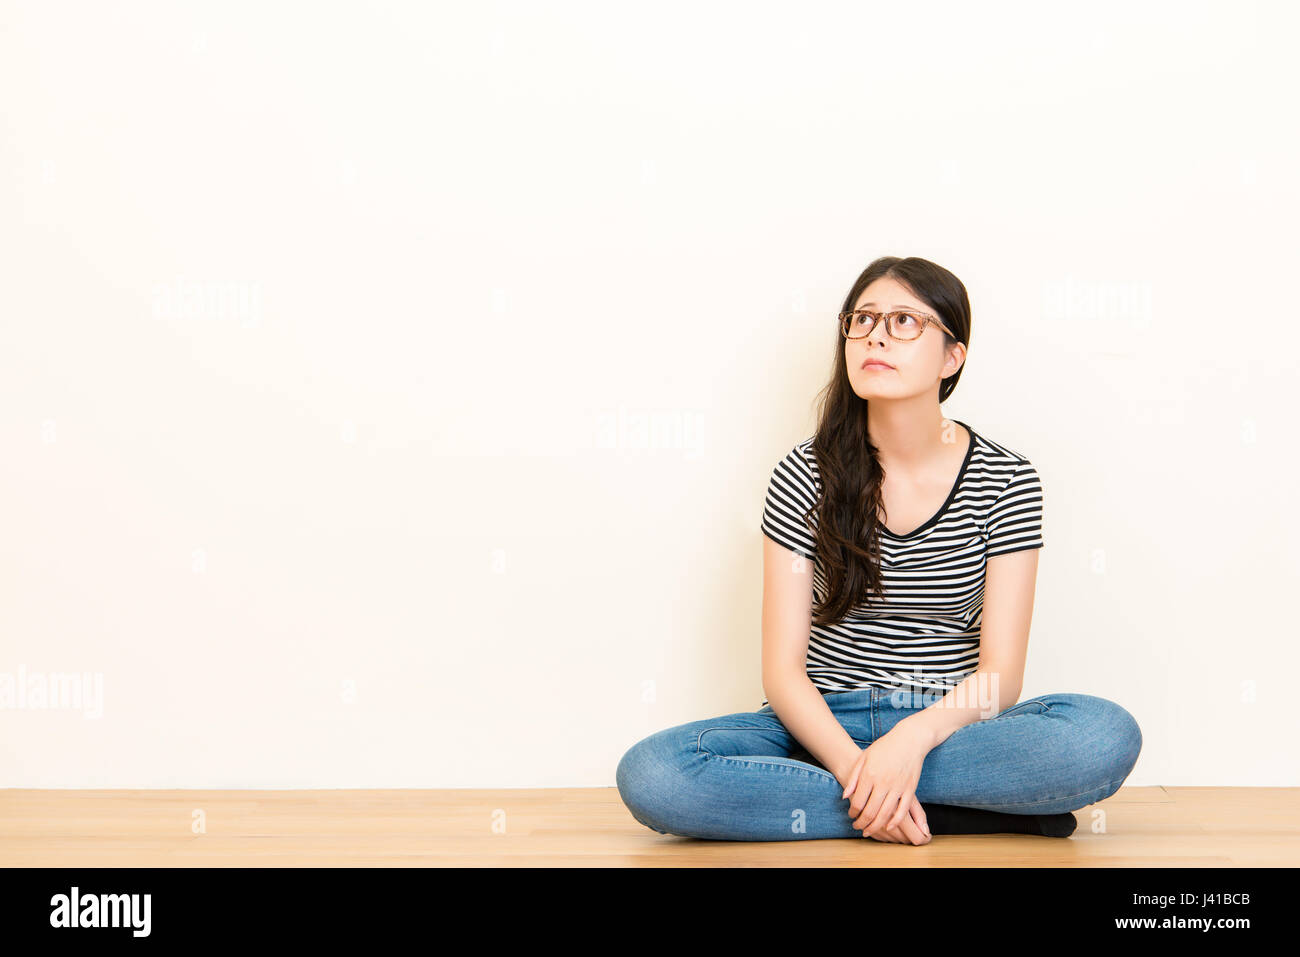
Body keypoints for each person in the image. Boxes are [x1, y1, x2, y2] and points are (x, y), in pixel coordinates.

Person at [615, 256, 1142, 843]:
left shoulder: (1007, 478)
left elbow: (1000, 676)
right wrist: (851, 763)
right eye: (862, 320)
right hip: (819, 729)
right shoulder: (803, 475)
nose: (877, 335)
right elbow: (783, 673)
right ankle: (942, 812)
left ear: (952, 357)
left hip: (946, 730)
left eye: (904, 322)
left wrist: (909, 742)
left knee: (1102, 735)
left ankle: (870, 797)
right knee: (656, 775)